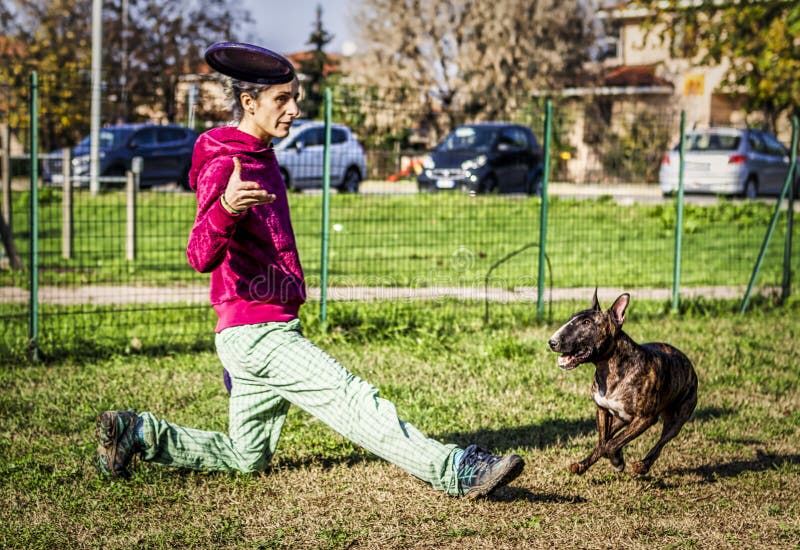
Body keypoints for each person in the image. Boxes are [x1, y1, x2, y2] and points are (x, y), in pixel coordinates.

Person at [94, 63, 524, 499]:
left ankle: (140, 433)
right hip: (258, 331)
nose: (295, 109)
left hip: (252, 331)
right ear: (249, 103)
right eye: (282, 99)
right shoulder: (227, 161)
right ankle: (454, 469)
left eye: (296, 97)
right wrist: (226, 206)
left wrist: (237, 351)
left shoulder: (260, 152)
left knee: (247, 457)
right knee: (350, 397)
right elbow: (200, 254)